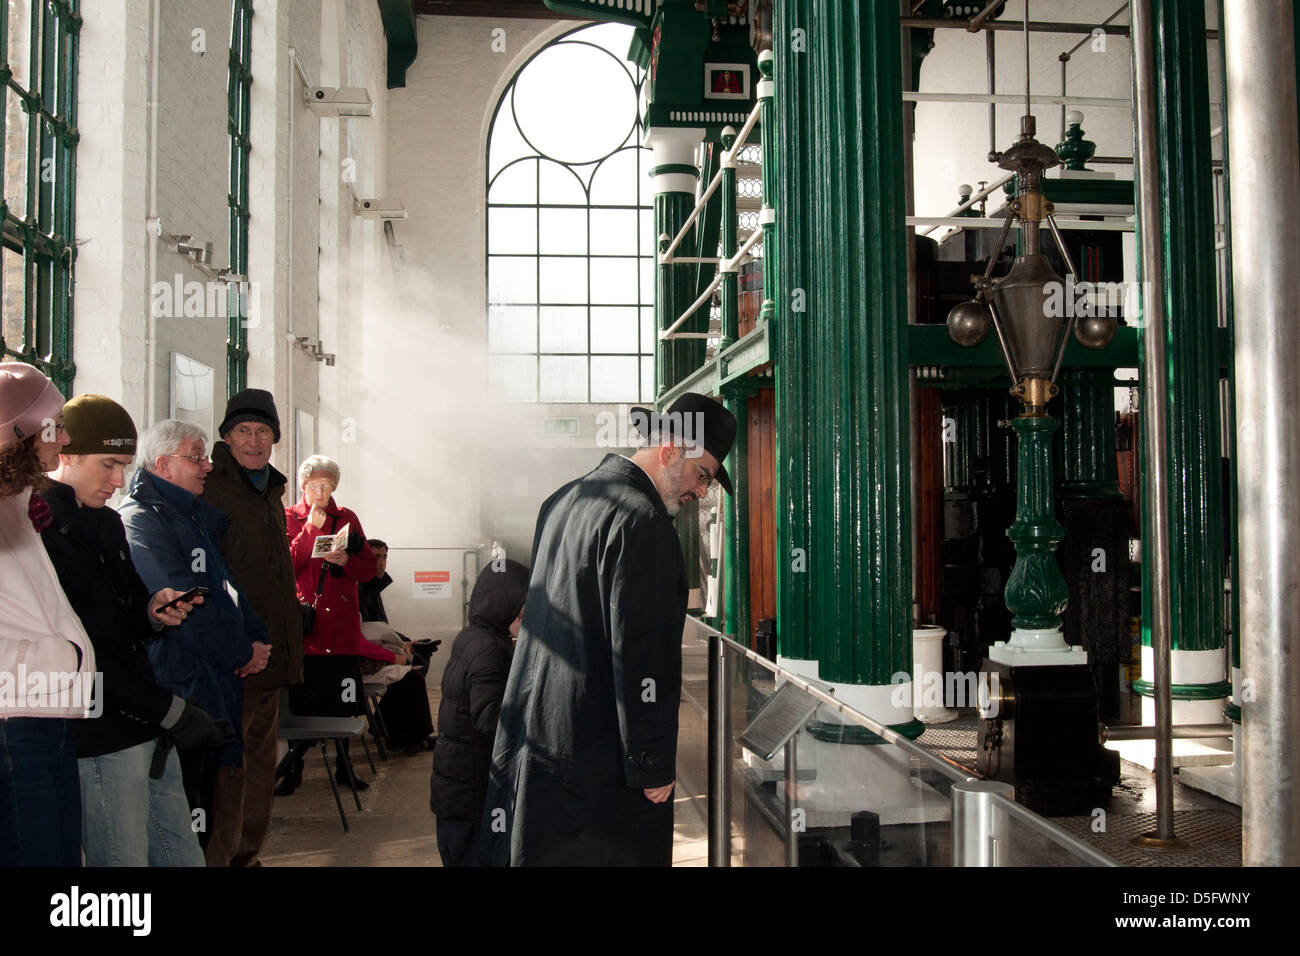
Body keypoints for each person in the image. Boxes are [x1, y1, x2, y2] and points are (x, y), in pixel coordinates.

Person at [479, 392, 736, 866]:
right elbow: (642, 654)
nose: (702, 492)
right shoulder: (644, 522)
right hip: (598, 762)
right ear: (671, 450)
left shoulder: (563, 499)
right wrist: (652, 764)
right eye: (702, 475)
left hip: (537, 741)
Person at [38, 394, 230, 866]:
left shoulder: (105, 522)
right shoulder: (39, 530)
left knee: (183, 856)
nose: (118, 480)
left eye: (124, 465)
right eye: (107, 464)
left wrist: (153, 612)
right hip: (101, 734)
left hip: (144, 723)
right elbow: (85, 652)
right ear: (66, 453)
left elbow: (124, 623)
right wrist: (172, 713)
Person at [119, 419, 272, 847]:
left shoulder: (192, 516)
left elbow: (227, 590)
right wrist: (242, 652)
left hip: (210, 683)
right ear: (163, 464)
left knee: (204, 810)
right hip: (183, 685)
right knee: (182, 821)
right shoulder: (142, 523)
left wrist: (259, 640)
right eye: (197, 457)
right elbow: (184, 607)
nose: (207, 466)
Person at [198, 388, 304, 867]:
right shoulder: (213, 488)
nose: (254, 440)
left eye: (263, 431)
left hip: (270, 658)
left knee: (261, 765)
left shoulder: (270, 490)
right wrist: (237, 644)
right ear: (226, 436)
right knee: (230, 769)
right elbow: (210, 577)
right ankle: (221, 860)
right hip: (234, 659)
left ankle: (247, 856)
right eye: (243, 430)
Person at [0, 363, 96, 866]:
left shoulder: (20, 504)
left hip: (47, 708)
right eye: (53, 426)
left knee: (59, 856)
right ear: (20, 436)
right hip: (14, 713)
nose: (63, 439)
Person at [280, 455, 408, 793]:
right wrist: (311, 530)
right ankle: (293, 769)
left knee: (345, 702)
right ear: (303, 486)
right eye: (314, 486)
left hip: (342, 630)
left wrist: (347, 560)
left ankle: (345, 766)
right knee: (305, 704)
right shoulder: (290, 518)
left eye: (327, 486)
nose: (321, 492)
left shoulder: (347, 518)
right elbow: (286, 566)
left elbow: (368, 570)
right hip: (308, 629)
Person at [430, 559, 528, 867]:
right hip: (470, 799)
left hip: (458, 793)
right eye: (521, 606)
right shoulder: (489, 649)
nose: (526, 615)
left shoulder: (473, 636)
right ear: (502, 602)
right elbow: (491, 719)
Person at [358, 538, 437, 754]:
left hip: (374, 654)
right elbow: (366, 635)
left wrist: (404, 643)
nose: (382, 562)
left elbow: (381, 628)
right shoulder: (359, 591)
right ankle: (409, 736)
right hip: (362, 660)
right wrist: (396, 652)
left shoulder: (371, 590)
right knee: (412, 675)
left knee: (419, 657)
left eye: (384, 557)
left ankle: (390, 727)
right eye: (376, 557)